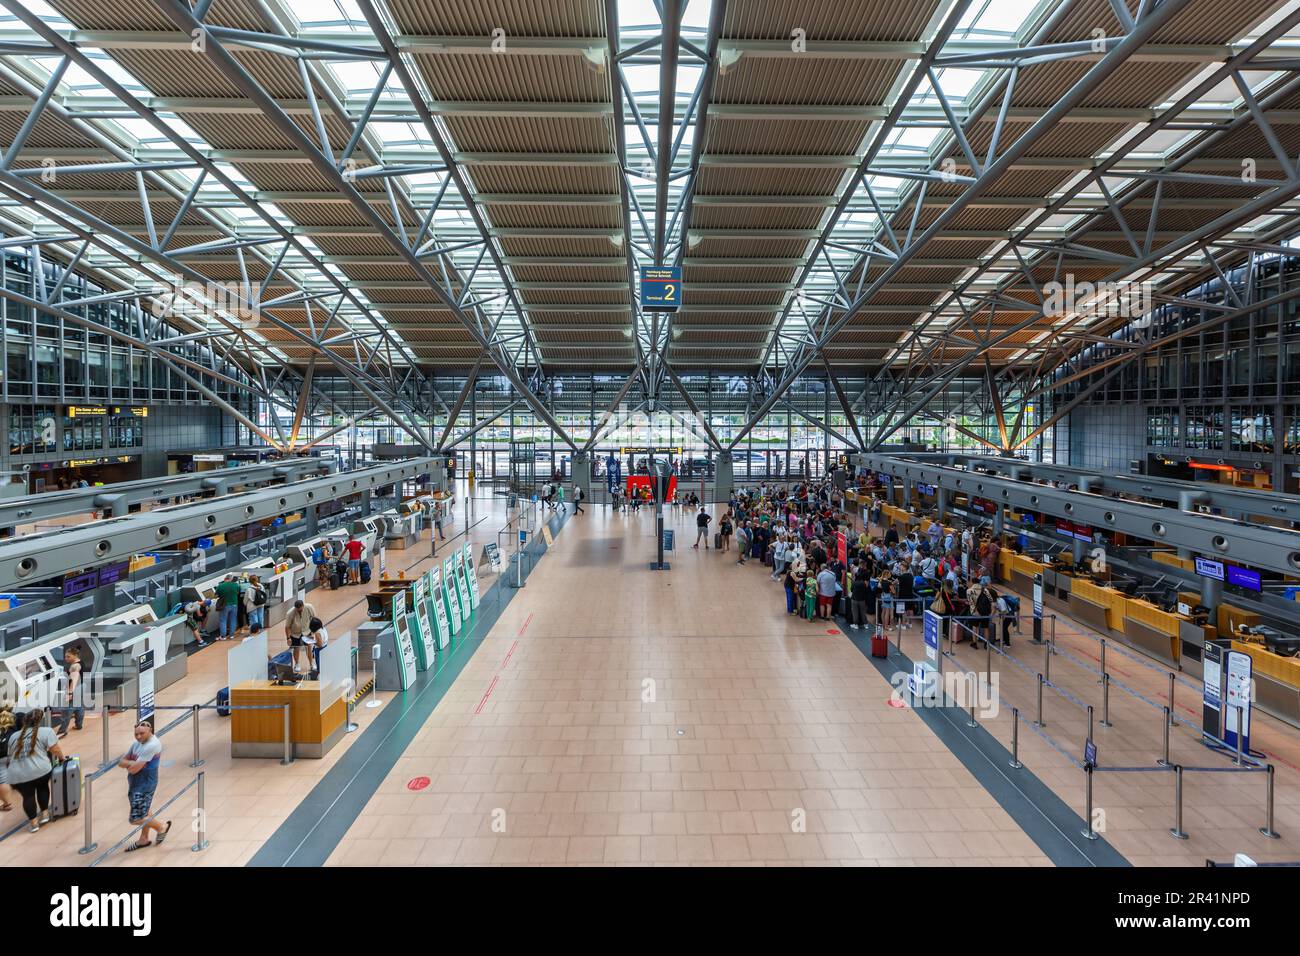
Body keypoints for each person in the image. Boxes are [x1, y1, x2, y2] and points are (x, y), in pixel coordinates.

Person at [5, 708, 63, 832]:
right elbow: (55, 750)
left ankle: (34, 823)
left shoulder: (13, 736)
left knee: (28, 796)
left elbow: (9, 759)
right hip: (40, 770)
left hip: (17, 776)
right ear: (40, 721)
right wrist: (62, 759)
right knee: (42, 787)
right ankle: (45, 815)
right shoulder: (46, 731)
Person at [119, 722, 170, 853]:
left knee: (136, 818)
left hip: (145, 784)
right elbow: (121, 762)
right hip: (136, 783)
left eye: (142, 733)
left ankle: (161, 827)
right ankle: (144, 839)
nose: (138, 736)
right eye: (136, 734)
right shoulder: (136, 744)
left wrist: (130, 764)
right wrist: (131, 763)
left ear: (150, 730)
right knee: (145, 812)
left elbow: (134, 770)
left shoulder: (152, 745)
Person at [57, 647, 84, 736]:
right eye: (65, 656)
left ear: (75, 655)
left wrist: (70, 693)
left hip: (74, 688)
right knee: (79, 707)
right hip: (81, 687)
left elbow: (74, 680)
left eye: (68, 656)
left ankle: (62, 731)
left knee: (67, 710)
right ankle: (79, 725)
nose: (66, 659)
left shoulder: (74, 666)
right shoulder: (81, 662)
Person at [286, 599, 317, 674]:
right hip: (295, 633)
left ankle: (311, 664)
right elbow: (287, 627)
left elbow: (314, 618)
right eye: (298, 610)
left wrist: (313, 631)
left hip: (307, 631)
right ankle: (297, 664)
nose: (299, 611)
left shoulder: (309, 607)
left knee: (309, 647)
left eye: (301, 610)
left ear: (303, 606)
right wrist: (288, 638)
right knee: (296, 648)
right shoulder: (290, 613)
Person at [214, 574, 242, 640]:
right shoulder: (236, 585)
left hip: (224, 605)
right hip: (234, 604)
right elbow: (238, 593)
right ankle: (231, 635)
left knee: (223, 620)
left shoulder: (220, 586)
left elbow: (215, 596)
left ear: (225, 578)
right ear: (231, 579)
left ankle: (223, 636)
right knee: (233, 620)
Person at [0, 705, 17, 812]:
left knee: (2, 779)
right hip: (14, 752)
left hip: (1, 756)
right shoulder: (13, 724)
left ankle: (7, 804)